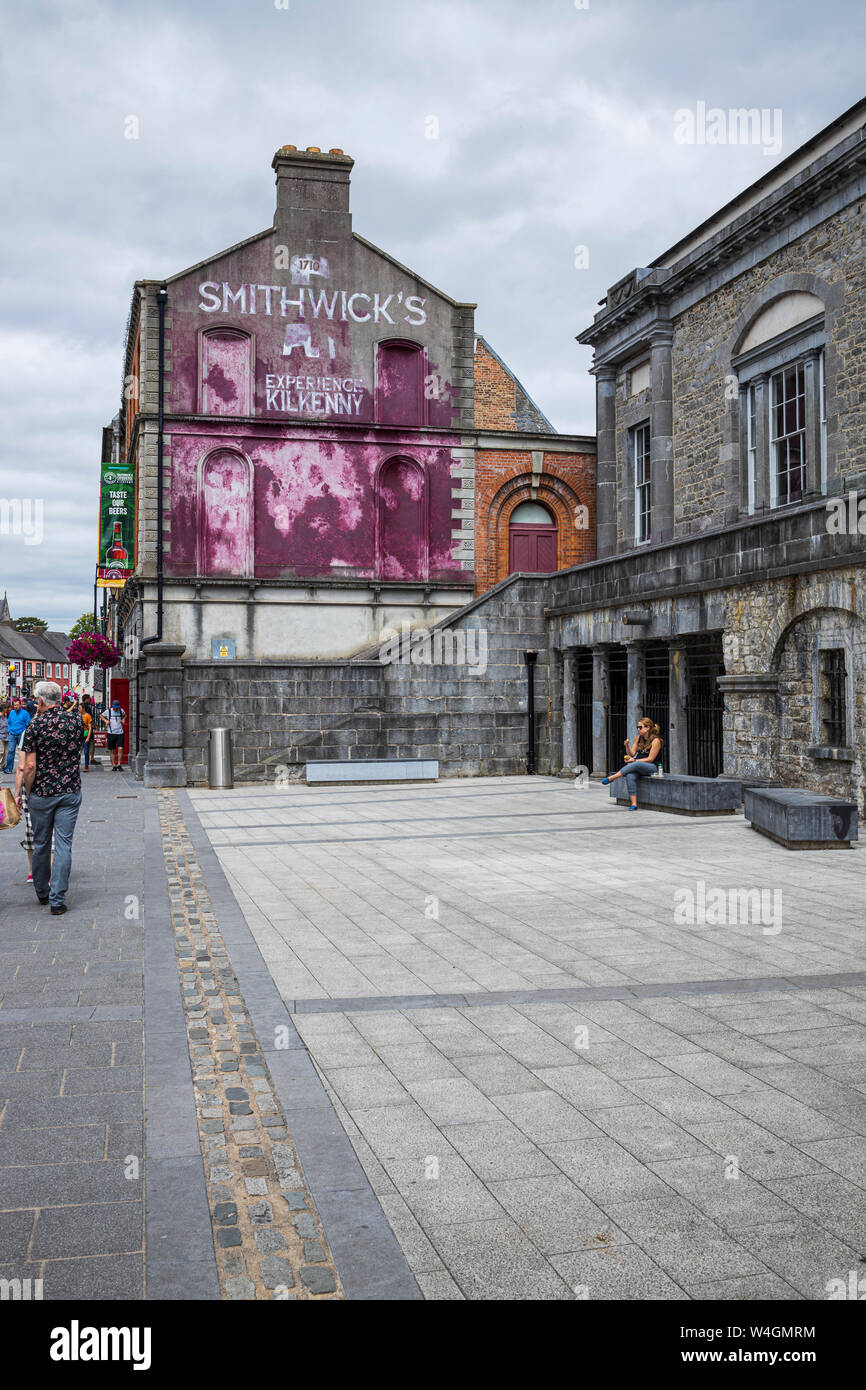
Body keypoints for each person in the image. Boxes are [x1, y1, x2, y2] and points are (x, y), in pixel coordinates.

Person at [19, 680, 85, 915]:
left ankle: (42, 893)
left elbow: (29, 765)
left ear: (40, 701)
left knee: (42, 843)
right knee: (64, 844)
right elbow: (79, 748)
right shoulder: (76, 721)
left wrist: (26, 790)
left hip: (42, 793)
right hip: (69, 790)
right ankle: (58, 899)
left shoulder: (35, 726)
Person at [601, 718, 664, 809]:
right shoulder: (639, 738)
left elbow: (650, 759)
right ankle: (634, 804)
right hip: (638, 765)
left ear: (647, 728)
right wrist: (626, 746)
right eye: (637, 727)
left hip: (653, 768)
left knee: (635, 764)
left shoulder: (656, 741)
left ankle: (612, 778)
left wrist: (634, 761)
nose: (638, 729)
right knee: (630, 776)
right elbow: (632, 754)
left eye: (640, 727)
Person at [4, 695, 31, 774]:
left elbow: (28, 724)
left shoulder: (25, 713)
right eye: (14, 705)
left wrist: (25, 733)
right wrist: (9, 730)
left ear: (20, 705)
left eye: (17, 705)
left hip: (21, 735)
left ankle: (25, 768)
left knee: (23, 752)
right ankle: (8, 768)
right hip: (12, 734)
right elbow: (9, 722)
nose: (15, 706)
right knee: (11, 751)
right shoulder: (11, 713)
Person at [101, 699, 127, 771]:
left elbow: (125, 715)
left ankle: (119, 764)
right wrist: (106, 721)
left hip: (120, 733)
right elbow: (101, 715)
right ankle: (113, 765)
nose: (116, 709)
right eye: (115, 707)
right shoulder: (108, 711)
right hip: (111, 733)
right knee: (112, 750)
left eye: (117, 707)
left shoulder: (121, 711)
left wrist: (124, 719)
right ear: (113, 706)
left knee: (120, 748)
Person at [79, 695, 94, 772]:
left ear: (83, 708)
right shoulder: (78, 715)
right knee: (78, 751)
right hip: (79, 735)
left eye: (80, 708)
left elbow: (90, 727)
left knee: (86, 751)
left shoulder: (88, 716)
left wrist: (88, 737)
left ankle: (86, 765)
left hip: (85, 735)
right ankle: (76, 765)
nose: (78, 709)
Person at [0, 703, 8, 771]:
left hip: (6, 736)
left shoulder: (5, 716)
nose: (7, 709)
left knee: (6, 752)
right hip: (0, 736)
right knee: (1, 752)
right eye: (6, 708)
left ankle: (3, 765)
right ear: (3, 709)